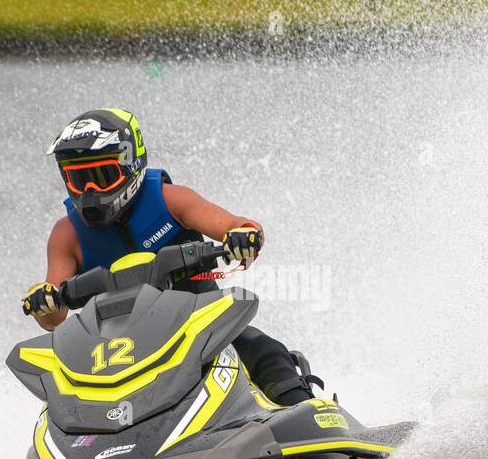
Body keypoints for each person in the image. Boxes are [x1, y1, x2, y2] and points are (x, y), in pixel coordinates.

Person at [21, 108, 318, 406]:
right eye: (78, 179)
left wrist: (245, 235)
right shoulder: (66, 234)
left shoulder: (169, 199)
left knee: (263, 349)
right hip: (118, 352)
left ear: (130, 163)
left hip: (202, 327)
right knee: (62, 393)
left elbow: (235, 225)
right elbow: (53, 317)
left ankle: (304, 412)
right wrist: (42, 300)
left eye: (101, 176)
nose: (90, 191)